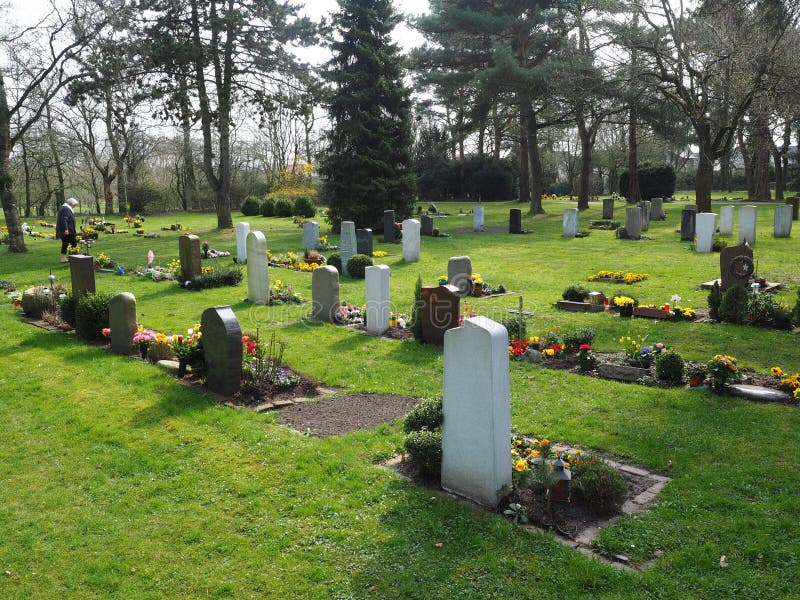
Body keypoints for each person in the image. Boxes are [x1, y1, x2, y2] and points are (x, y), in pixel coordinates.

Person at [56, 197, 79, 263]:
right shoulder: (66, 209)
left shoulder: (65, 208)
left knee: (65, 244)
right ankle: (75, 258)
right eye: (74, 205)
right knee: (74, 244)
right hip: (68, 231)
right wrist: (66, 229)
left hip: (67, 230)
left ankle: (63, 258)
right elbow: (64, 219)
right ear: (71, 204)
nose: (75, 206)